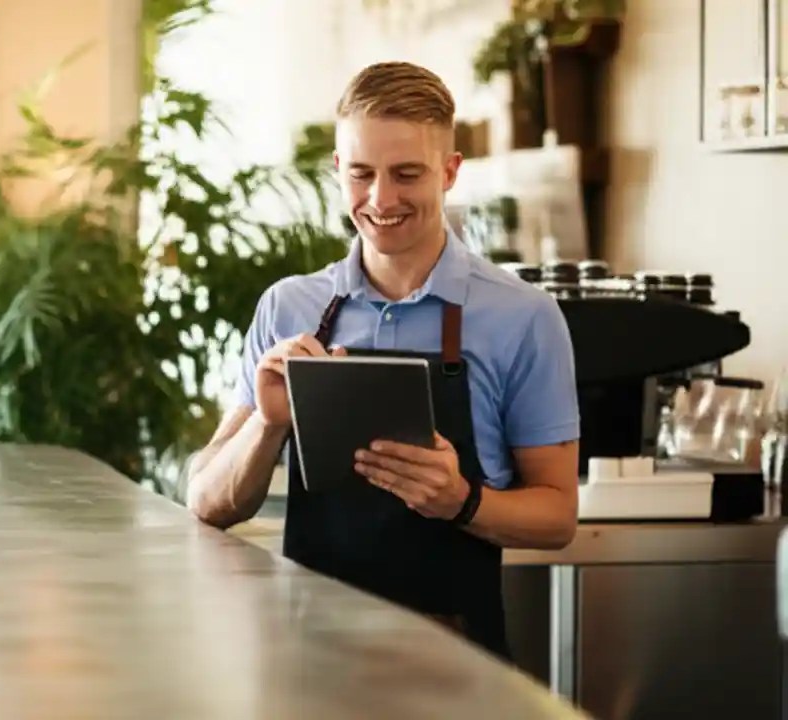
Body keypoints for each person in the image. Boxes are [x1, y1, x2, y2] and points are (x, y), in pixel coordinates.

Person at [185, 61, 580, 660]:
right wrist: (268, 426)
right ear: (339, 169)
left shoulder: (524, 317)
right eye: (362, 173)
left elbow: (557, 517)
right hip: (310, 652)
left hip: (456, 657)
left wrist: (462, 500)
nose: (381, 199)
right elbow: (207, 504)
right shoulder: (289, 306)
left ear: (449, 172)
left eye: (407, 174)